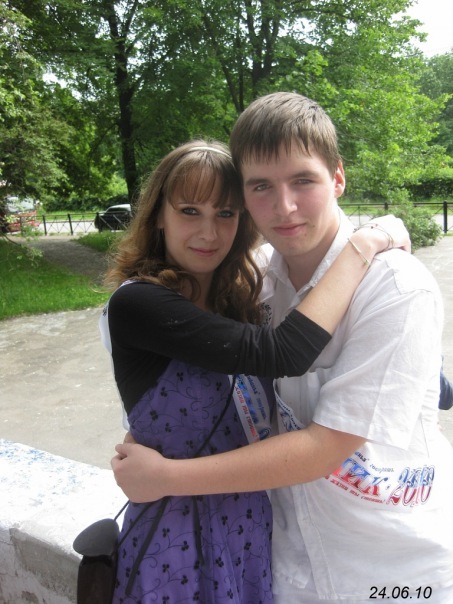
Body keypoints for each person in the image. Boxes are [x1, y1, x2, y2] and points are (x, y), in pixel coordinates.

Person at [112, 95, 453, 603]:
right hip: (287, 565)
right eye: (261, 187)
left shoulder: (396, 288)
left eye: (303, 181)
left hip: (388, 567)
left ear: (337, 178)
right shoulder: (255, 282)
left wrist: (165, 476)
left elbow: (325, 446)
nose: (284, 206)